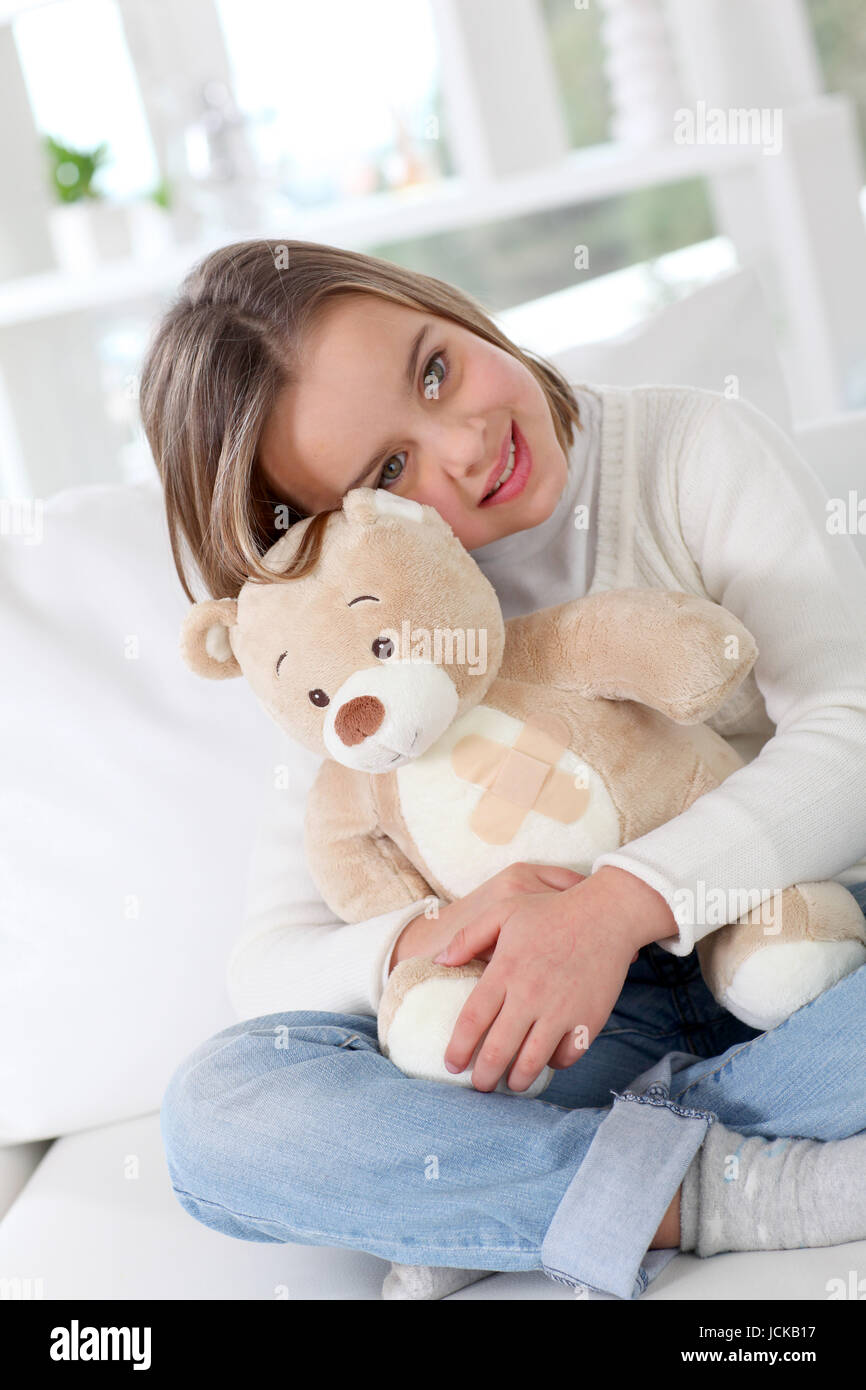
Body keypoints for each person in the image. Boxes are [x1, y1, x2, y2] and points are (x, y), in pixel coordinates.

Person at [143, 240, 866, 1300]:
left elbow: (847, 728)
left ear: (445, 306)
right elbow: (268, 958)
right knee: (218, 1114)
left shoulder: (686, 449)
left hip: (799, 947)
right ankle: (722, 1189)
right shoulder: (365, 623)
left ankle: (512, 1192)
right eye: (387, 473)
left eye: (433, 370)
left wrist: (618, 904)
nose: (466, 442)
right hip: (559, 1032)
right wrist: (426, 939)